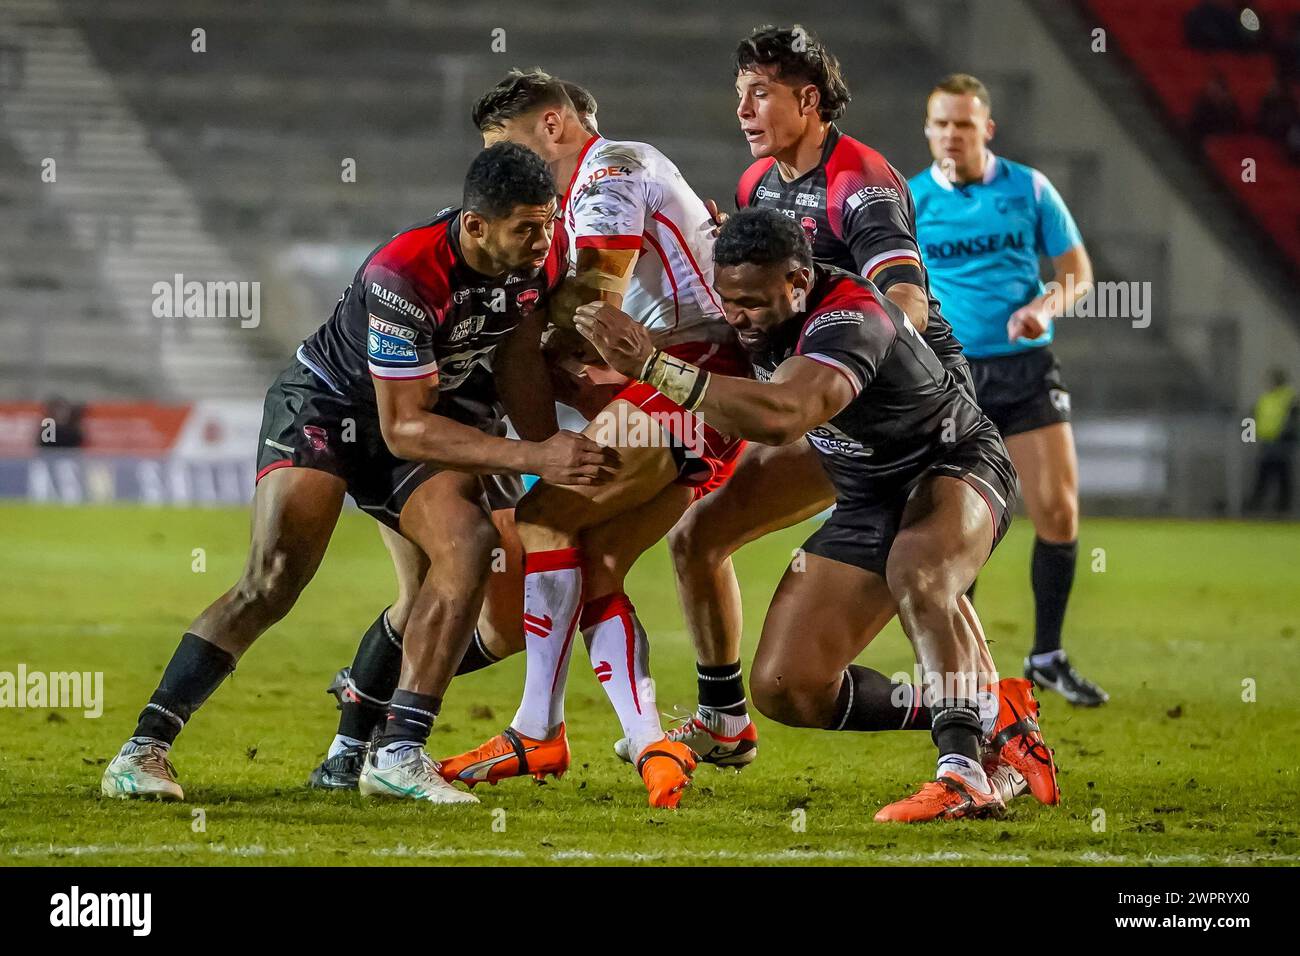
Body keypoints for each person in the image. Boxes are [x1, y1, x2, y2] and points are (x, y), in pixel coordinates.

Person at [100, 143, 615, 805]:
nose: (544, 239)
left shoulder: (535, 262)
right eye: (528, 227)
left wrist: (552, 453)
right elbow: (402, 426)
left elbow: (517, 362)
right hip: (328, 407)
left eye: (548, 223)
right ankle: (143, 748)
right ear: (476, 225)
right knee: (275, 580)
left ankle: (396, 753)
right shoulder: (405, 273)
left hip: (424, 413)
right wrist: (536, 456)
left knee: (468, 545)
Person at [576, 208, 1060, 822]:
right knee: (788, 688)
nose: (737, 315)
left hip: (951, 464)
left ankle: (964, 771)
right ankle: (990, 710)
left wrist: (653, 365)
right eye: (729, 299)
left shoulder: (849, 315)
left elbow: (785, 416)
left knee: (918, 571)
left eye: (752, 302)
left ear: (799, 283)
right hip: (864, 482)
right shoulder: (752, 306)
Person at [648, 24, 976, 773]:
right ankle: (725, 719)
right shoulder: (757, 185)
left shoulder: (860, 181)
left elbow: (905, 304)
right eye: (740, 94)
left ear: (809, 98)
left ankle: (981, 724)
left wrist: (839, 362)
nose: (744, 110)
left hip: (899, 408)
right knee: (698, 538)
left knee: (925, 572)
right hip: (821, 406)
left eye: (760, 94)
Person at [435, 69, 751, 808]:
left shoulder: (610, 171)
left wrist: (510, 326)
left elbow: (591, 303)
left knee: (545, 516)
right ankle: (650, 748)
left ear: (552, 124)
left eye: (507, 147)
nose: (503, 172)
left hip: (689, 375)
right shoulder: (598, 185)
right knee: (597, 559)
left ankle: (537, 729)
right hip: (694, 390)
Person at [909, 73, 1108, 706]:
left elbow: (1077, 272)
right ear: (928, 130)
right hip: (950, 378)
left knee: (1059, 512)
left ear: (986, 129)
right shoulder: (911, 200)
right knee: (952, 529)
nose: (951, 136)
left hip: (1024, 369)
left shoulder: (1030, 188)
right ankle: (969, 667)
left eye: (963, 125)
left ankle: (1047, 654)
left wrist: (1048, 305)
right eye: (941, 124)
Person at [1246, 368, 1297, 514]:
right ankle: (1258, 503)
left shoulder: (1288, 397)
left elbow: (1292, 420)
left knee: (1282, 473)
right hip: (1266, 441)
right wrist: (1248, 437)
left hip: (1282, 442)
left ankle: (1283, 506)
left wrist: (1288, 436)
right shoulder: (1265, 398)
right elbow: (1253, 416)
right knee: (1264, 473)